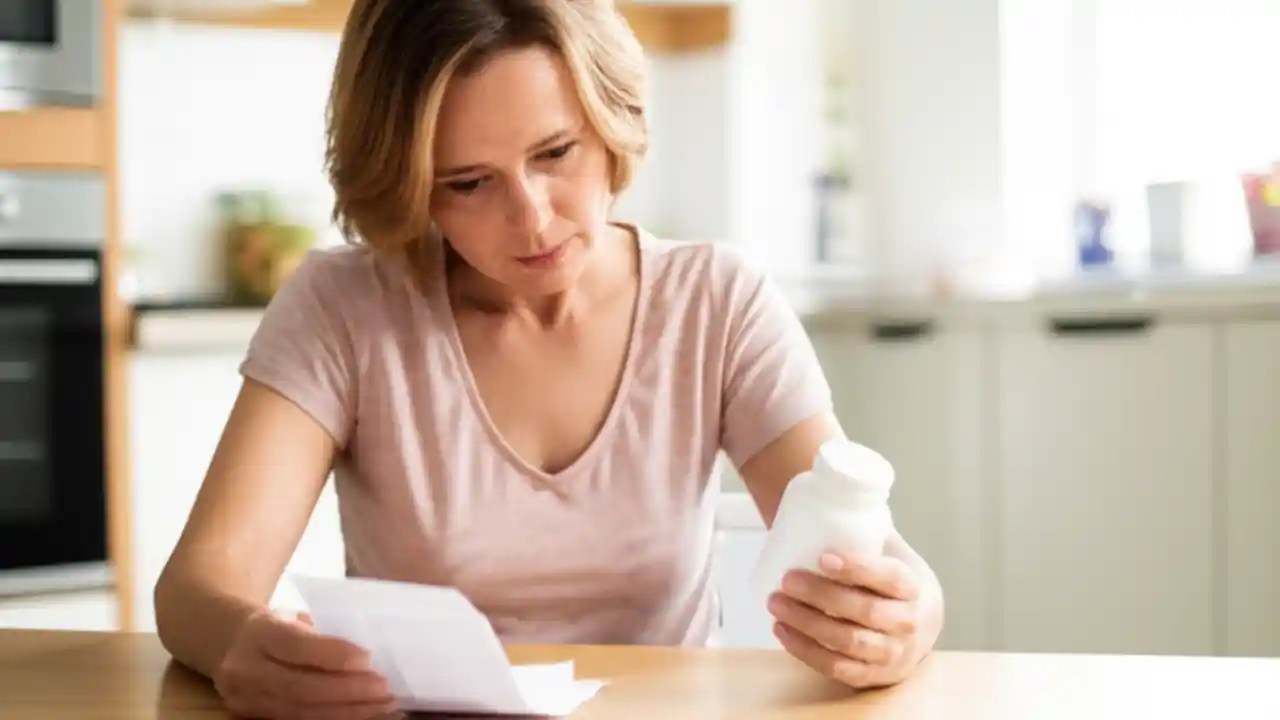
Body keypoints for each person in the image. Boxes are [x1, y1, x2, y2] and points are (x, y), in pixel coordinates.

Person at [153, 1, 945, 717]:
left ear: (609, 118)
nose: (531, 219)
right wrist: (242, 645)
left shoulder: (717, 302)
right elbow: (196, 588)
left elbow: (876, 555)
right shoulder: (344, 309)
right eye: (468, 183)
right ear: (410, 187)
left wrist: (910, 618)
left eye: (556, 152)